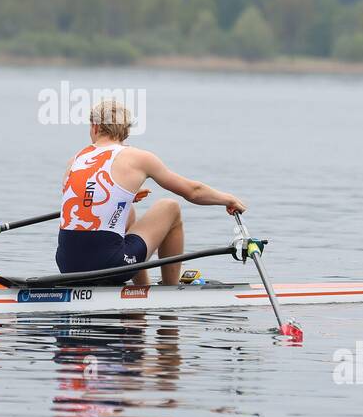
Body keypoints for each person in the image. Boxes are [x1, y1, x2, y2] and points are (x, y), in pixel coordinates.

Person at [57, 99, 247, 285]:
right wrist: (228, 199)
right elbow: (193, 192)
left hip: (67, 266)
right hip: (111, 264)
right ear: (126, 130)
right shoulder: (138, 158)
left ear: (95, 126)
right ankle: (169, 287)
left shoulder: (75, 160)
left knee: (128, 211)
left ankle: (141, 289)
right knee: (170, 207)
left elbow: (86, 200)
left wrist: (124, 196)